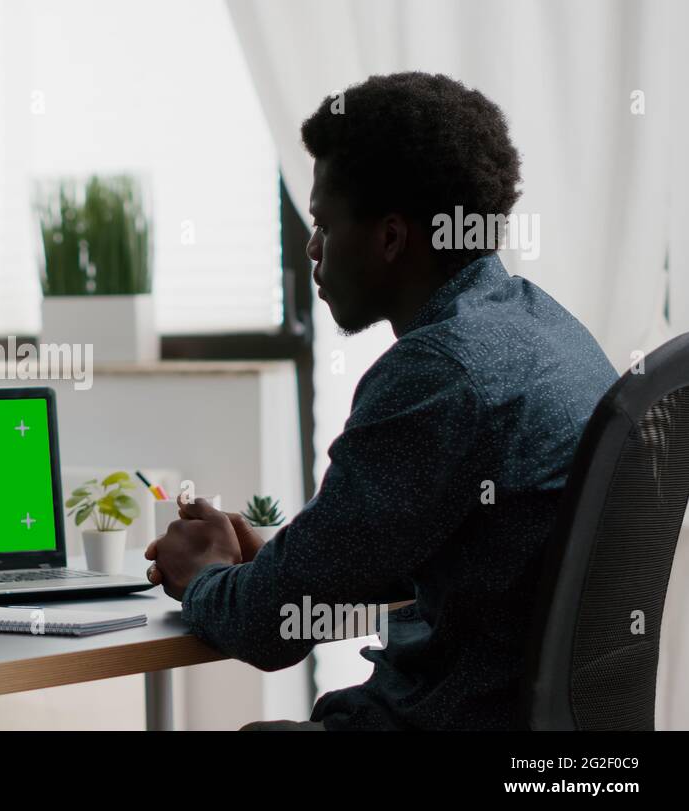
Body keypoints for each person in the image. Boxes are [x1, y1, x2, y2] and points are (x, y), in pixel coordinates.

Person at [145, 71, 619, 730]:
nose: (312, 249)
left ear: (391, 238)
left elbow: (267, 630)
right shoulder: (551, 329)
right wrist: (278, 560)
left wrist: (201, 575)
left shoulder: (439, 373)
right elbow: (452, 561)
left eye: (322, 224)